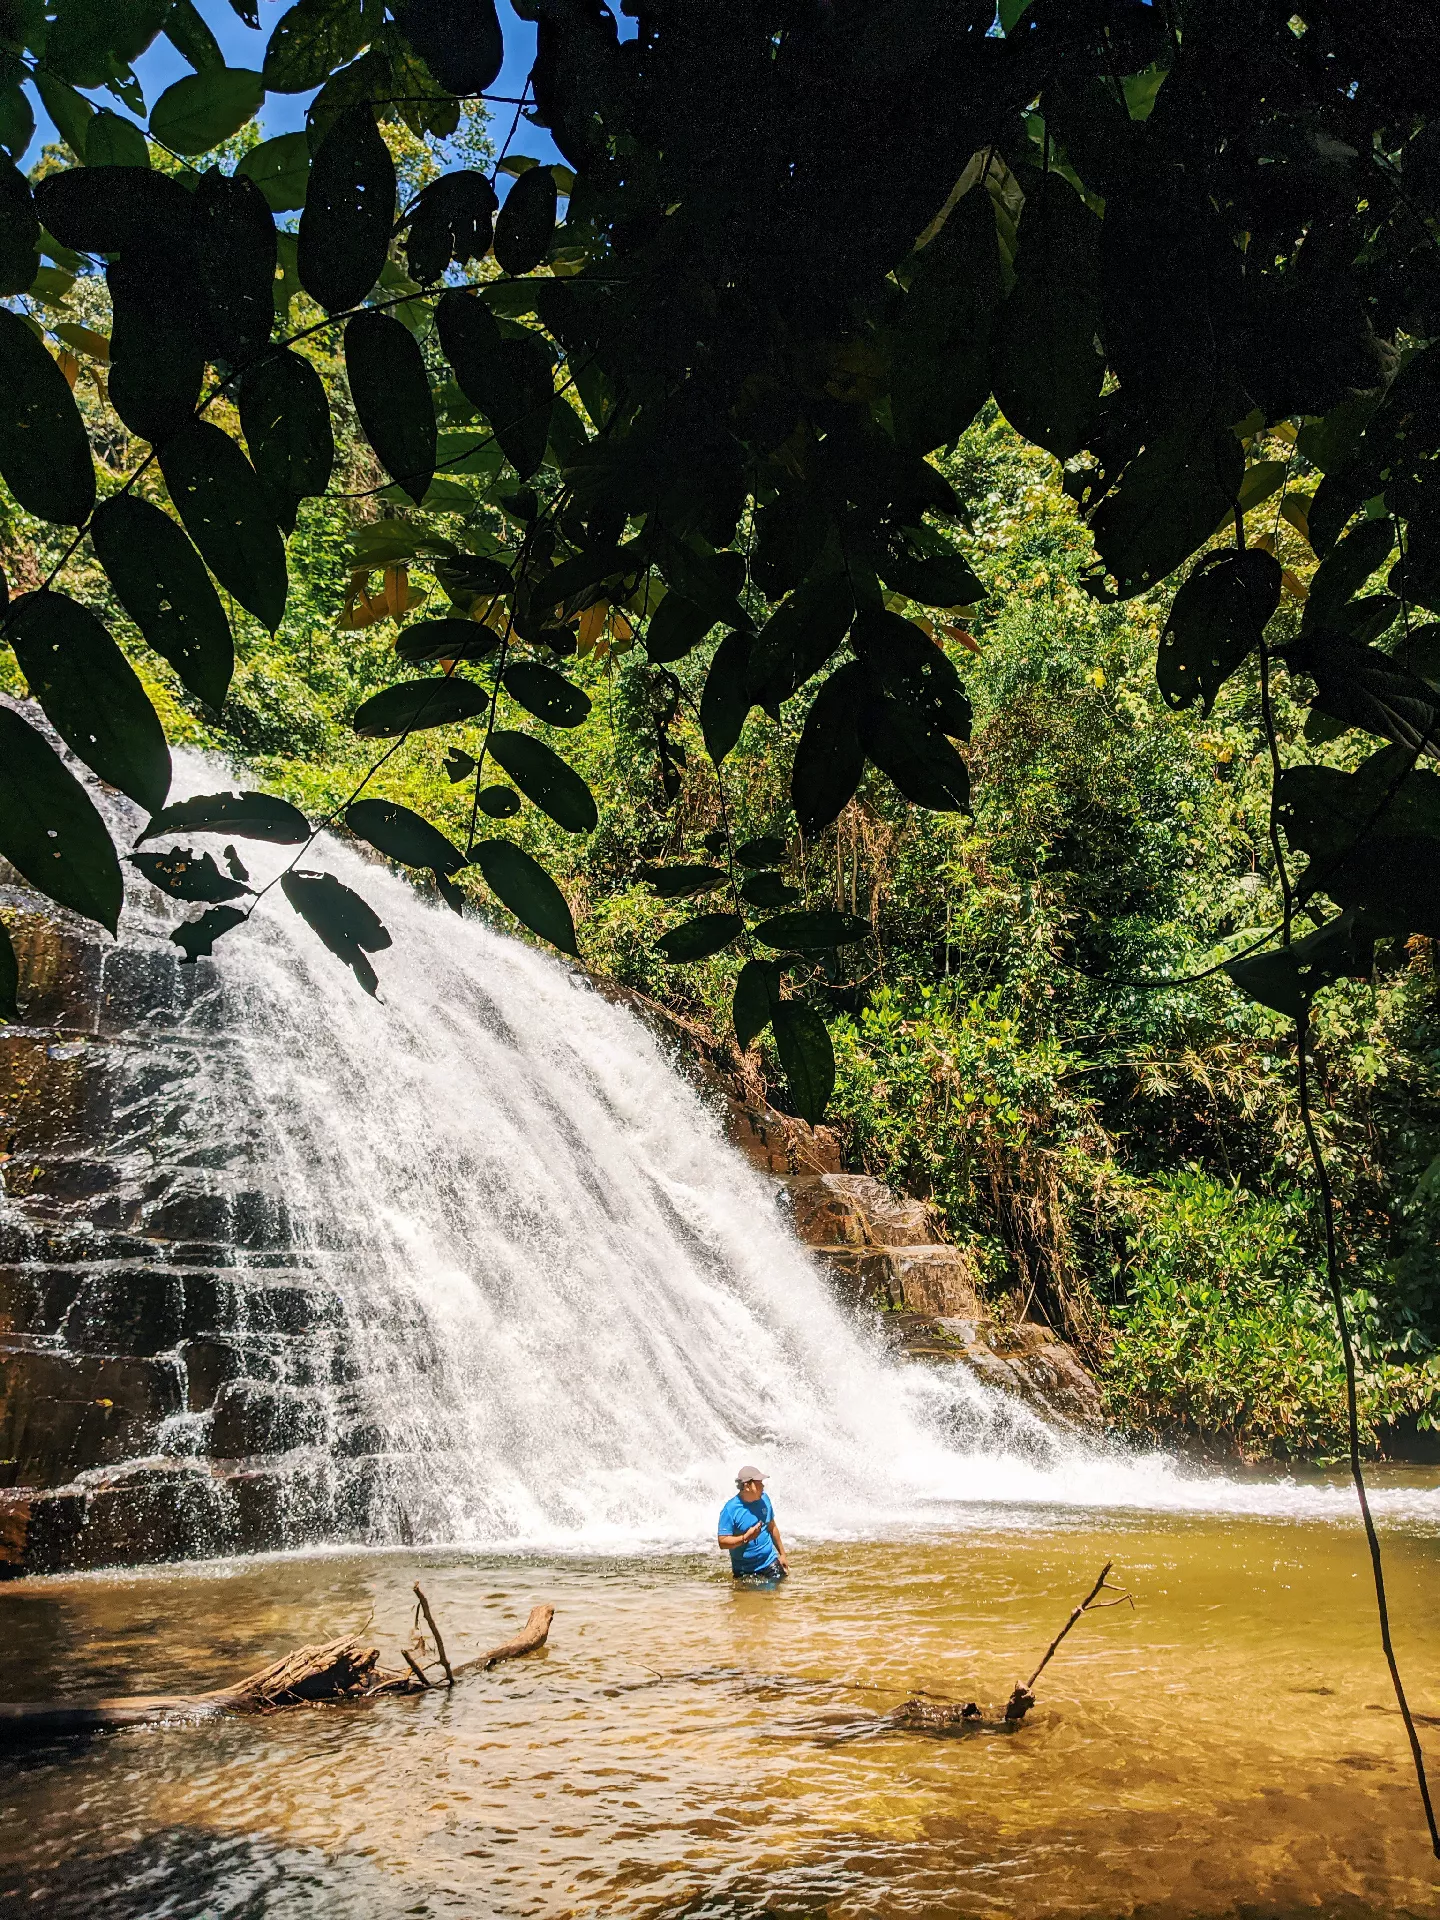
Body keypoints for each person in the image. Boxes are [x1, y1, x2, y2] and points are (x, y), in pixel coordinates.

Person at [717, 1465, 788, 1580]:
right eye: (759, 1483)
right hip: (744, 1570)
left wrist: (783, 1555)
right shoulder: (730, 1510)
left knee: (777, 1595)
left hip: (769, 1562)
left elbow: (772, 1527)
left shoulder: (765, 1499)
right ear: (747, 1486)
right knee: (747, 1598)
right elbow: (722, 1542)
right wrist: (745, 1537)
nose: (763, 1486)